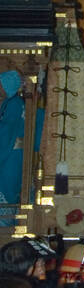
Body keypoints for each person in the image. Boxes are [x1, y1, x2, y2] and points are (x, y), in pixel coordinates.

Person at [0, 71, 27, 227]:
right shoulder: (10, 102)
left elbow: (6, 132)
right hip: (12, 154)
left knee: (6, 189)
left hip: (9, 155)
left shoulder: (14, 104)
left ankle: (4, 230)